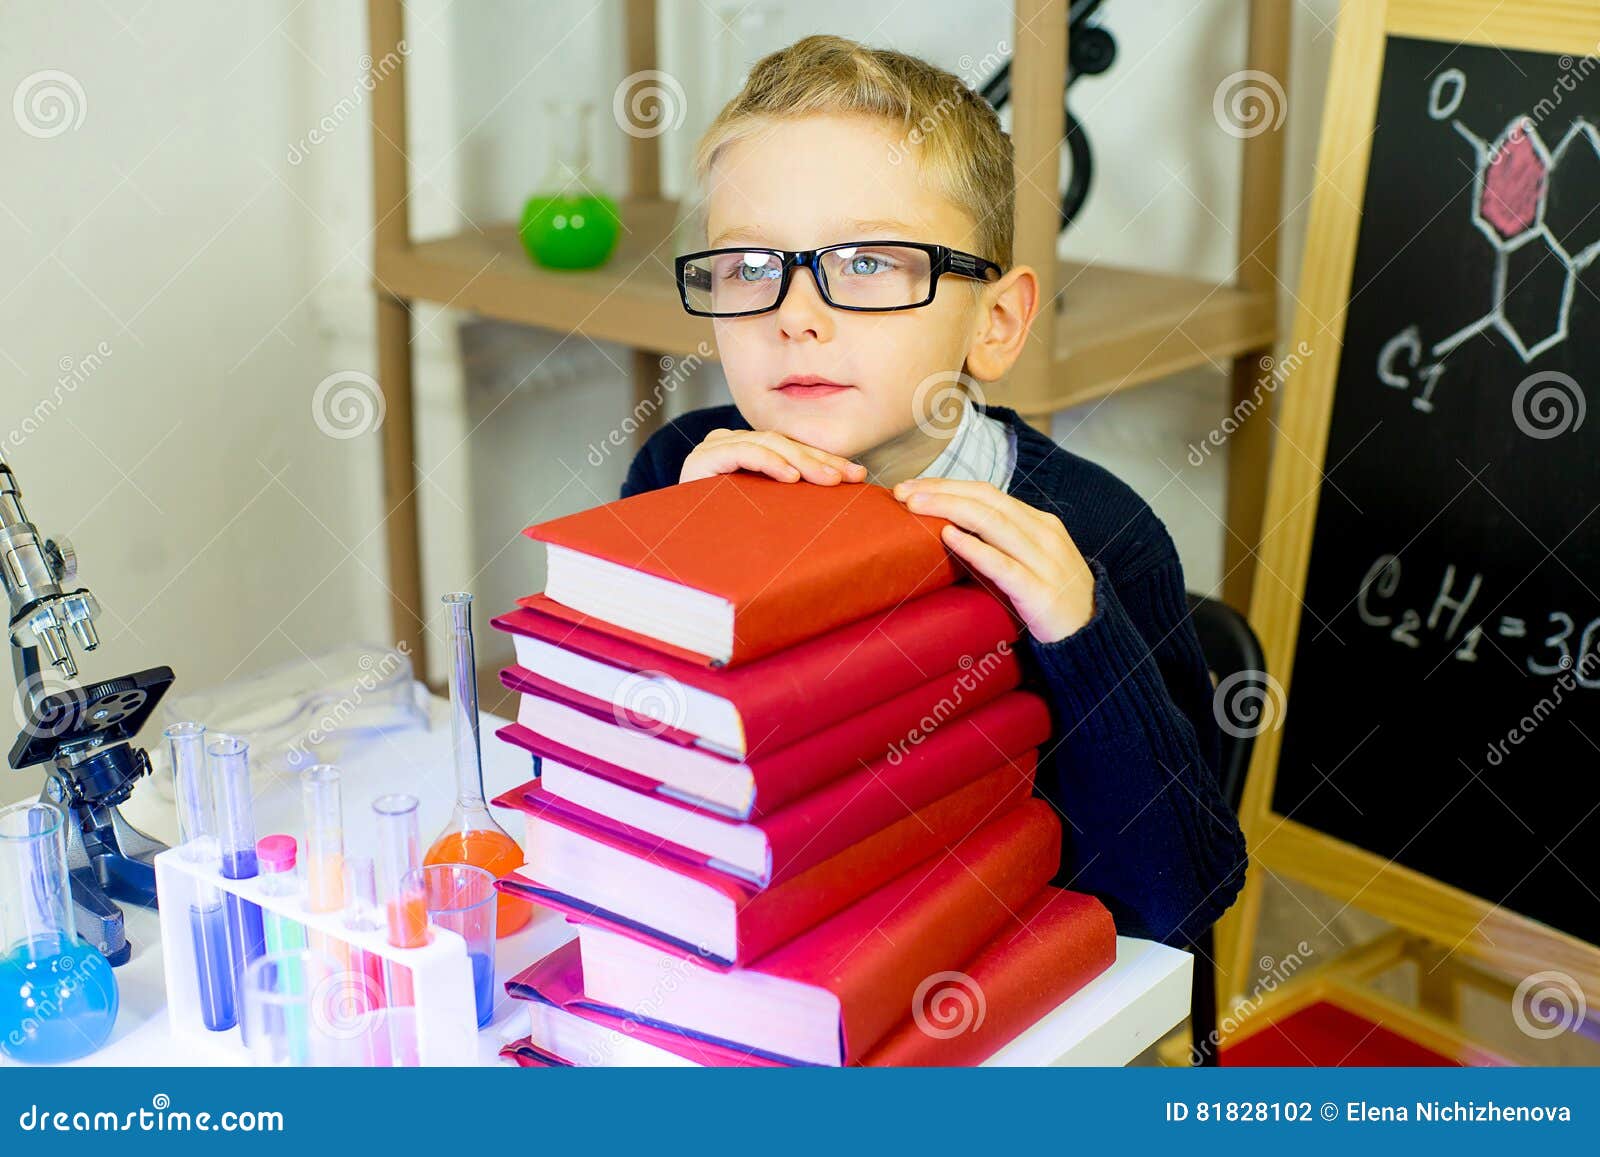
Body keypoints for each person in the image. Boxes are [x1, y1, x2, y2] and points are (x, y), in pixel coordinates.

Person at [622, 35, 1246, 947]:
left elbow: (1181, 894)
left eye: (869, 262)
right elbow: (622, 796)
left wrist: (1084, 634)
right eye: (750, 267)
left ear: (994, 323)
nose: (796, 316)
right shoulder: (679, 465)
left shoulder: (1102, 536)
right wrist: (680, 558)